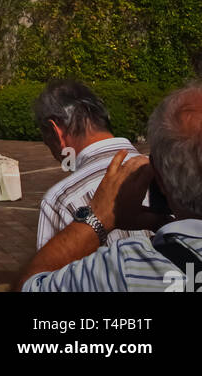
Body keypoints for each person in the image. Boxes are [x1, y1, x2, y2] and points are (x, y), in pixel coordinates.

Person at [17, 83, 202, 291]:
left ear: (55, 131)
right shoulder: (151, 167)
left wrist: (95, 220)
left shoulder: (60, 199)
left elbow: (32, 286)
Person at [33, 78, 149, 247]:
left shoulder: (60, 201)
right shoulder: (166, 172)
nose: (54, 155)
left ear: (55, 131)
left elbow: (42, 273)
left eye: (47, 142)